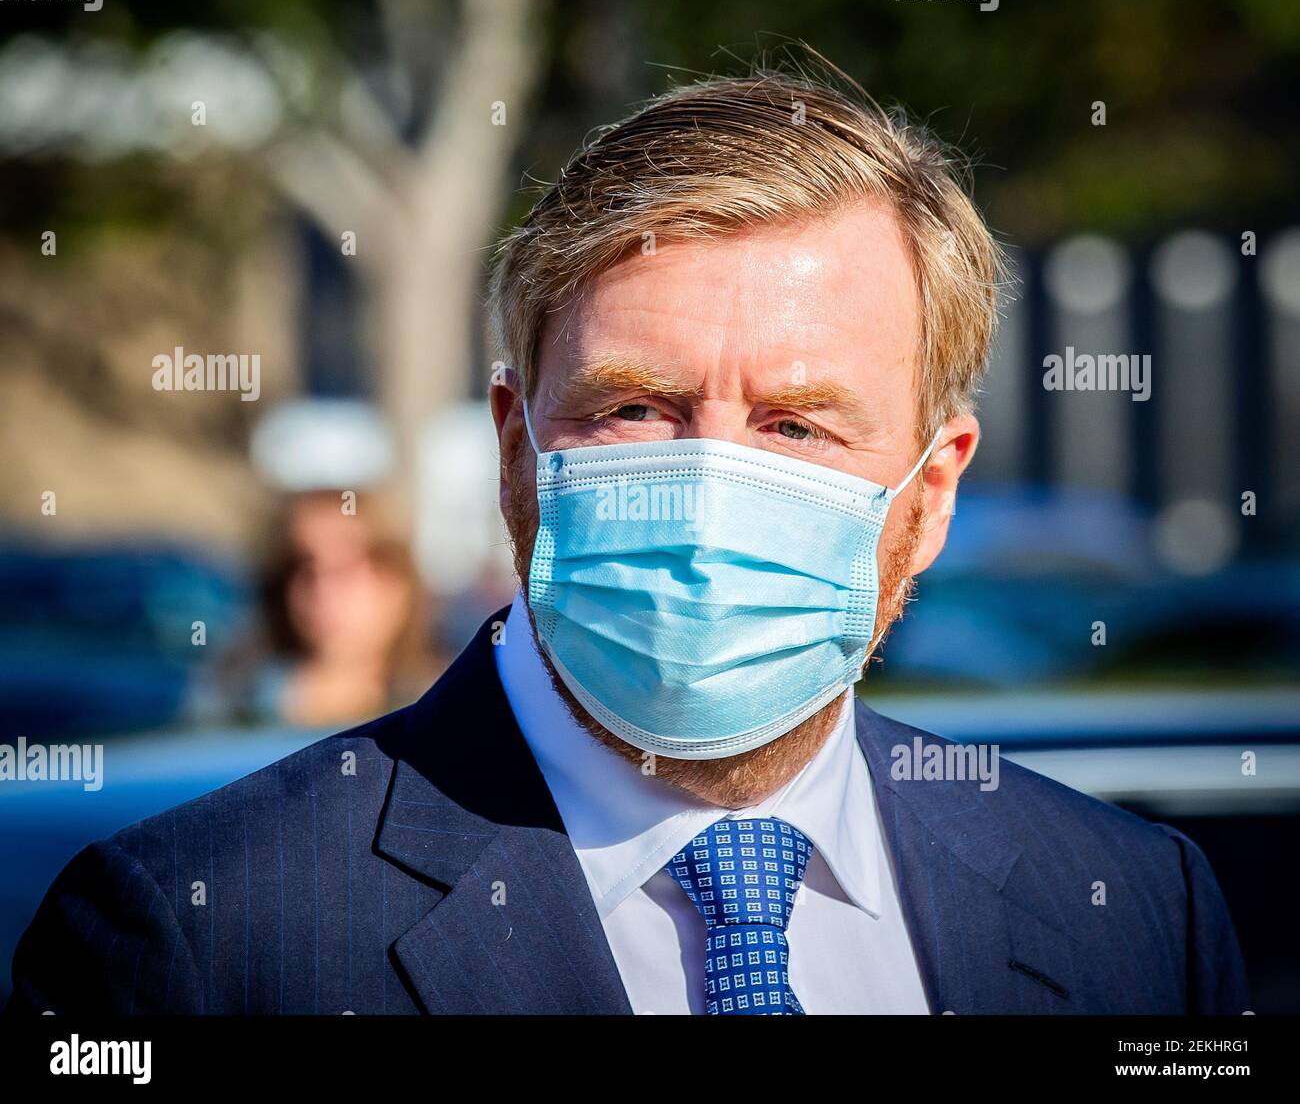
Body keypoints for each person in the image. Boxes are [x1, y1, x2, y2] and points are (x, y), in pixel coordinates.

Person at [5, 66, 1248, 1015]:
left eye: (799, 424)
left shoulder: (1134, 909)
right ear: (513, 450)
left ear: (930, 498)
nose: (712, 489)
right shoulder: (197, 938)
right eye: (632, 409)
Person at [186, 489, 442, 729]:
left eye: (344, 569)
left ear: (397, 583)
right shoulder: (227, 708)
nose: (321, 590)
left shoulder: (450, 705)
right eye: (304, 568)